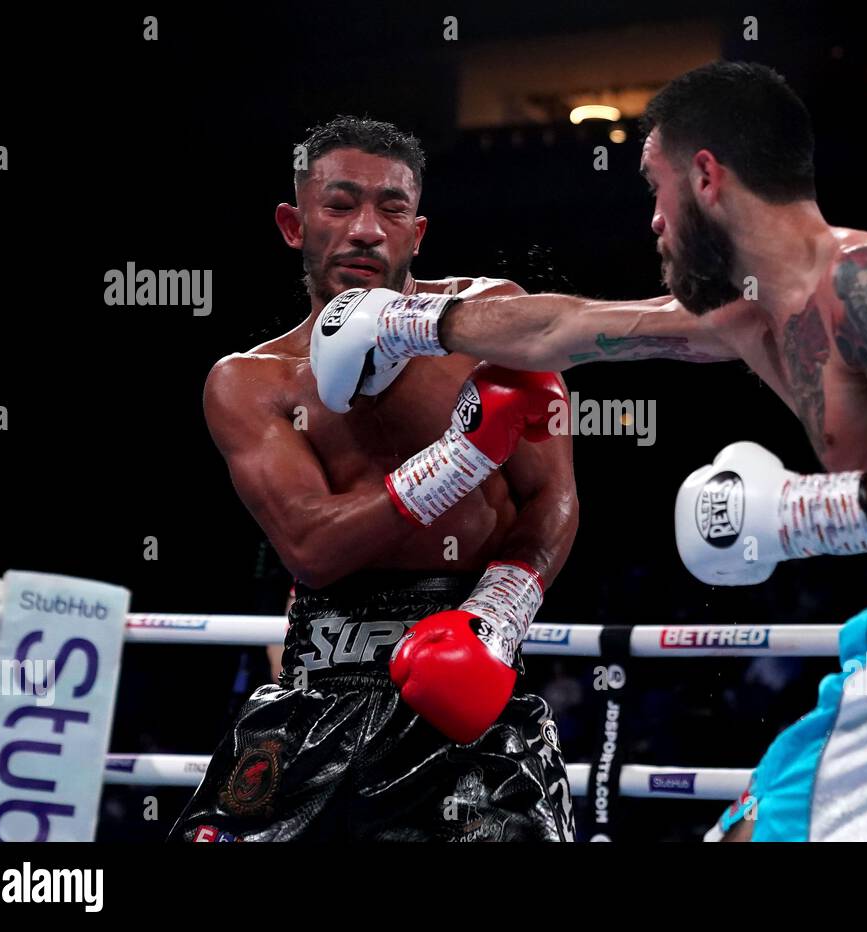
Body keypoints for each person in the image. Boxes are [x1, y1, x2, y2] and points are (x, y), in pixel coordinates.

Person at [310, 64, 867, 841]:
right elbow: (570, 326)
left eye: (654, 187)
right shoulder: (752, 314)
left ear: (706, 178)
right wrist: (409, 319)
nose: (652, 222)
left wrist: (790, 512)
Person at [170, 116, 578, 842]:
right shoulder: (251, 380)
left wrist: (495, 619)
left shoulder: (487, 322)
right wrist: (465, 452)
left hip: (466, 663)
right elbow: (311, 548)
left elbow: (551, 498)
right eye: (340, 204)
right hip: (317, 688)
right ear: (294, 224)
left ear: (417, 234)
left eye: (391, 209)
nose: (366, 229)